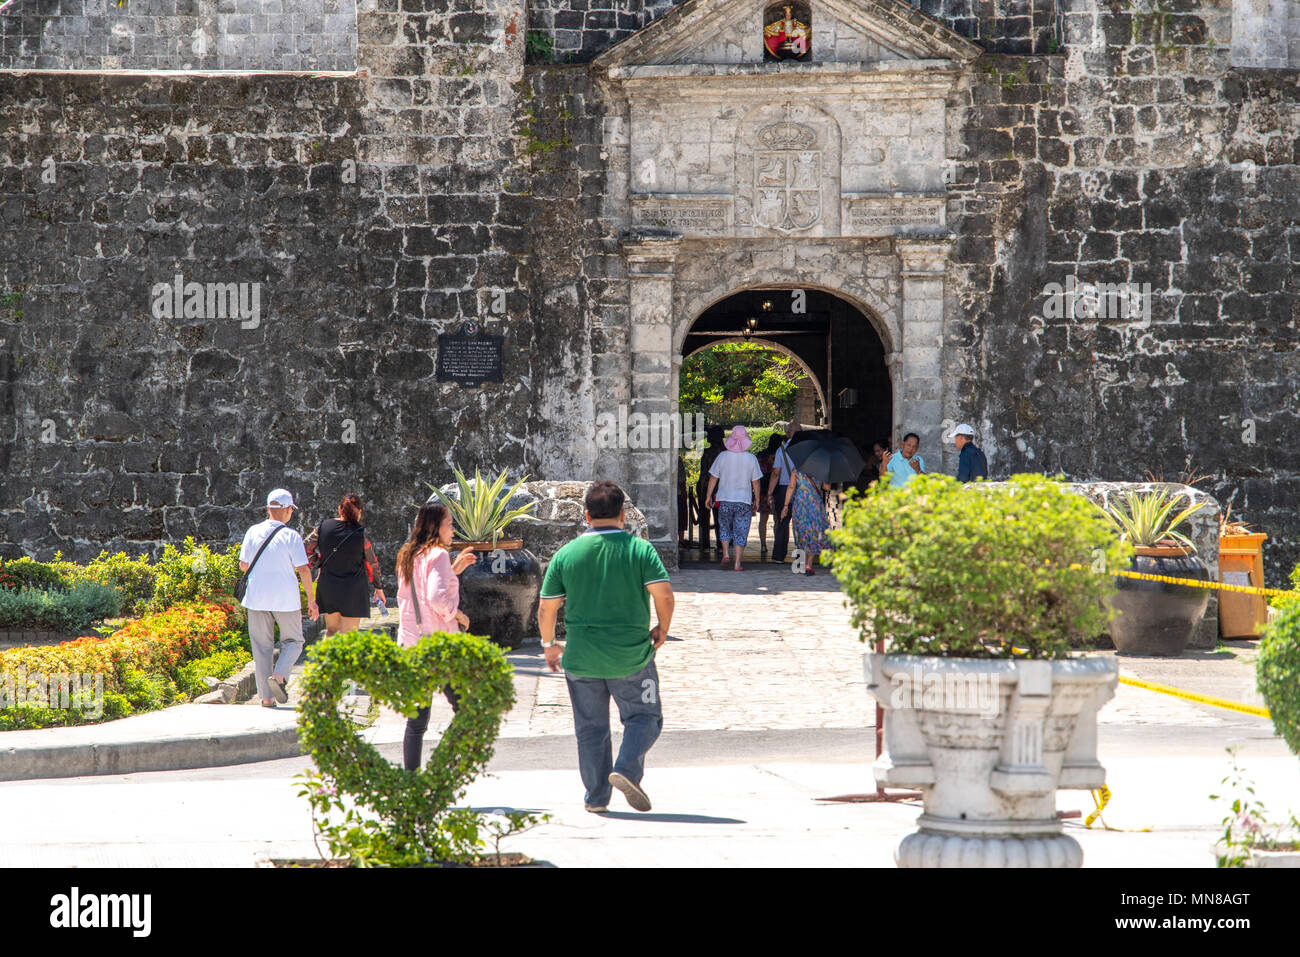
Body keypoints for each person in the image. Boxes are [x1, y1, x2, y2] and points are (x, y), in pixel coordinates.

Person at [537, 481, 674, 814]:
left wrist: (549, 645)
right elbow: (664, 595)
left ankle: (596, 798)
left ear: (586, 515)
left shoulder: (566, 555)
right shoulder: (639, 550)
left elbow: (546, 609)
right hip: (631, 656)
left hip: (581, 658)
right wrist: (663, 628)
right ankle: (626, 768)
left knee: (590, 728)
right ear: (623, 515)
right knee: (645, 718)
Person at [395, 502, 476, 772]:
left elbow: (416, 593)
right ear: (436, 526)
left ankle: (412, 779)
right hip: (437, 647)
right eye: (450, 523)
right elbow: (435, 598)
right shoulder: (438, 555)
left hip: (412, 643)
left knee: (416, 721)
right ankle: (439, 767)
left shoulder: (408, 554)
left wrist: (453, 570)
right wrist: (458, 615)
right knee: (465, 709)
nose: (453, 529)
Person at [239, 489, 319, 708]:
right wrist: (311, 600)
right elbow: (303, 569)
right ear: (286, 510)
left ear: (268, 509)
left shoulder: (252, 531)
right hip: (285, 598)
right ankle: (280, 677)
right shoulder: (291, 536)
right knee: (294, 641)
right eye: (291, 509)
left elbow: (243, 565)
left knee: (261, 648)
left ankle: (266, 698)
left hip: (256, 598)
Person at [305, 493, 385, 638]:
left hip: (329, 586)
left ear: (339, 509)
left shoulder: (323, 527)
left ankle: (325, 660)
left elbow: (305, 547)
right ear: (359, 511)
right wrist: (378, 587)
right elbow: (372, 562)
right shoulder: (361, 534)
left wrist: (317, 562)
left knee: (331, 631)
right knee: (349, 635)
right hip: (353, 589)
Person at [705, 425, 763, 571]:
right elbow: (755, 481)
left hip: (724, 499)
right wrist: (757, 499)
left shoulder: (722, 456)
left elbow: (713, 478)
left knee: (724, 527)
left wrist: (708, 496)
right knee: (741, 531)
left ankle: (725, 554)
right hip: (743, 501)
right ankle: (737, 564)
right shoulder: (751, 458)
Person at [781, 468, 830, 575]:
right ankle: (808, 565)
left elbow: (791, 487)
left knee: (803, 532)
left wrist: (785, 505)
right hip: (815, 505)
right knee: (813, 533)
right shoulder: (821, 470)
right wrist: (828, 477)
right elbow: (827, 487)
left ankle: (802, 564)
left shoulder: (796, 470)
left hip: (800, 505)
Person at [767, 420, 799, 563]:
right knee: (801, 524)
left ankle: (779, 555)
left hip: (784, 489)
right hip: (802, 489)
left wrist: (769, 493)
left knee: (782, 522)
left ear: (787, 434)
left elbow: (775, 473)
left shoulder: (782, 451)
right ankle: (802, 557)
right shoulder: (807, 449)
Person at [695, 425, 725, 556]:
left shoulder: (707, 453)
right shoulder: (727, 453)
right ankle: (721, 544)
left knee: (705, 519)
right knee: (721, 519)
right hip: (723, 490)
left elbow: (703, 474)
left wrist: (701, 491)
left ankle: (705, 544)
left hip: (708, 488)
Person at [754, 434, 777, 559]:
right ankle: (777, 544)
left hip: (762, 489)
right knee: (778, 519)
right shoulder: (780, 455)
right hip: (776, 490)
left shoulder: (761, 455)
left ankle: (763, 545)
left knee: (763, 519)